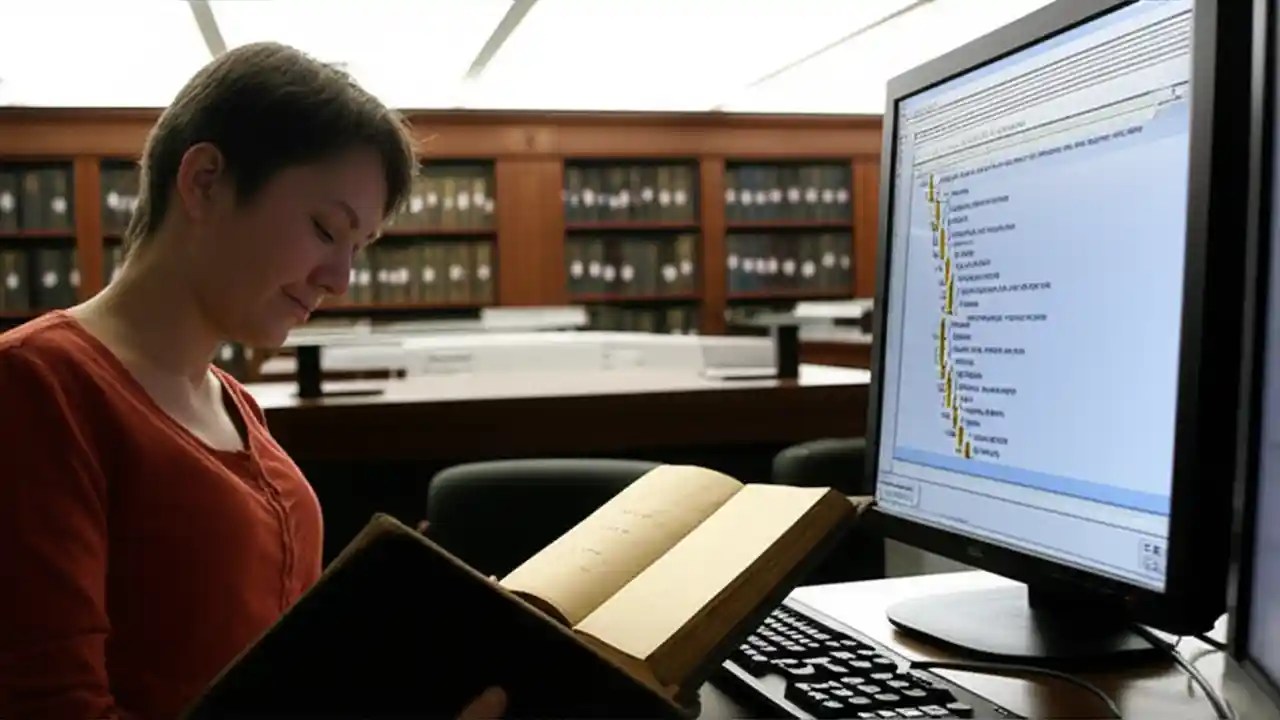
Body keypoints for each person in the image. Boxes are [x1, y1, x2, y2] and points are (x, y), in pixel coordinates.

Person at [0, 42, 505, 720]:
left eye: (359, 249)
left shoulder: (235, 403)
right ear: (206, 180)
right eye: (327, 229)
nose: (340, 280)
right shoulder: (36, 386)